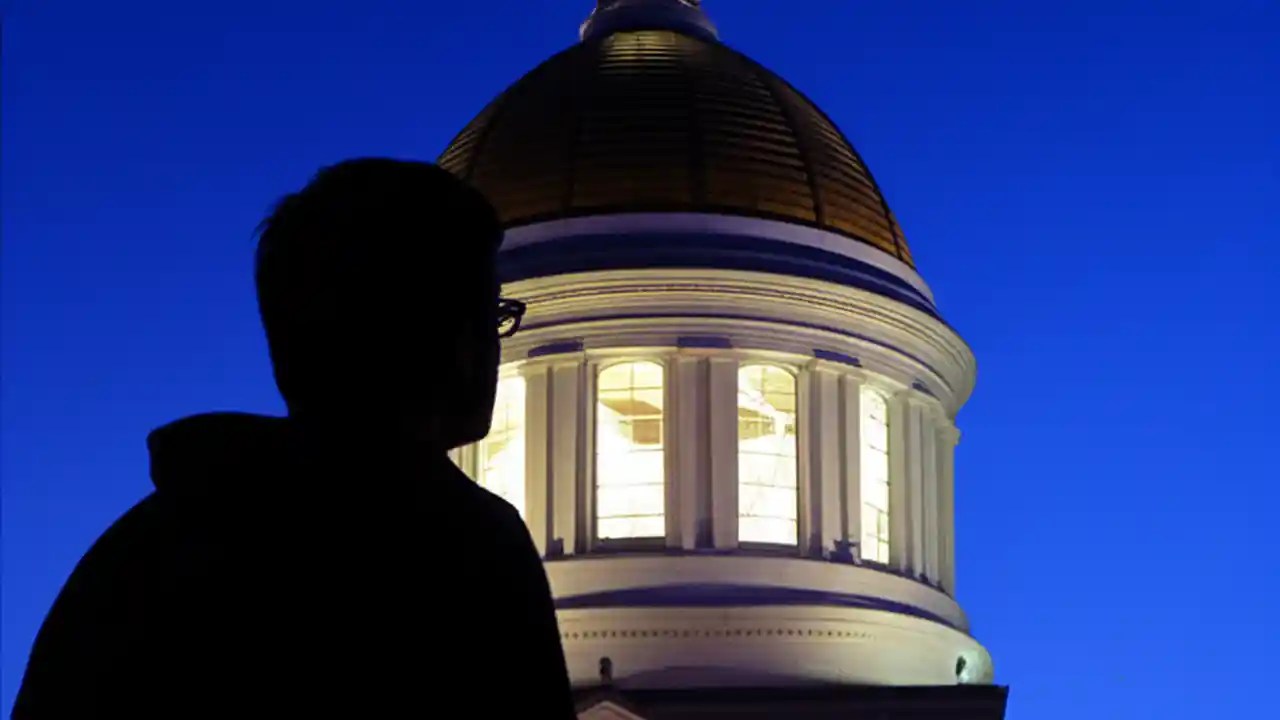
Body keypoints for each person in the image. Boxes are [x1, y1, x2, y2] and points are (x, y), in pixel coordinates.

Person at [12, 159, 577, 718]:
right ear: (430, 334)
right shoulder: (463, 550)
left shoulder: (136, 559)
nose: (492, 345)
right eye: (486, 313)